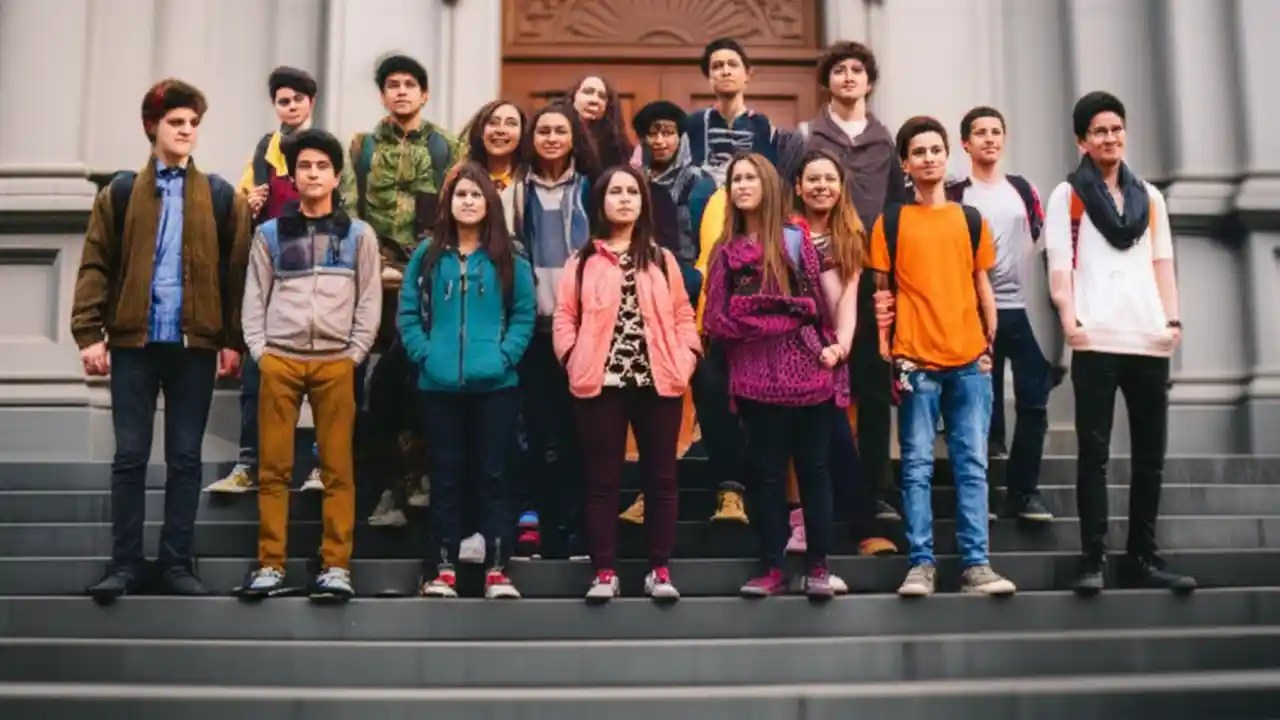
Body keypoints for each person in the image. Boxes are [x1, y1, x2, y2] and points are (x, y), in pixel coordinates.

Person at [74, 79, 250, 602]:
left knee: (185, 458)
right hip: (134, 344)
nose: (187, 131)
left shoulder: (219, 196)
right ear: (153, 127)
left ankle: (176, 563)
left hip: (194, 347)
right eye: (177, 123)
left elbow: (235, 272)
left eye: (194, 123)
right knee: (129, 455)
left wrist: (232, 339)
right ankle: (125, 564)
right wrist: (89, 332)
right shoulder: (122, 193)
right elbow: (95, 263)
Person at [1046, 92, 1196, 596]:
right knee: (1094, 454)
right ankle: (1093, 557)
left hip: (1148, 338)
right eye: (1099, 131)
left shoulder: (1149, 198)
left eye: (1116, 128)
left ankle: (1143, 555)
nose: (1110, 138)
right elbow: (1060, 267)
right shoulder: (1067, 196)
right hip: (1095, 338)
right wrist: (1070, 320)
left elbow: (1162, 264)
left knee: (1150, 455)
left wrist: (1171, 322)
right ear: (1081, 140)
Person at [868, 117, 1015, 598]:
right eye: (919, 151)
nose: (929, 157)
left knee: (972, 463)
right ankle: (921, 564)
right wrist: (887, 349)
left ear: (948, 155)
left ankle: (977, 565)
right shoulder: (890, 221)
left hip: (971, 359)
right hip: (915, 361)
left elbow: (982, 286)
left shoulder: (970, 219)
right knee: (915, 466)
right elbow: (882, 294)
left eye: (936, 149)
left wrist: (990, 344)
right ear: (905, 163)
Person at [236, 129, 381, 602]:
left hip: (336, 362)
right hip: (281, 359)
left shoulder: (358, 235)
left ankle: (336, 565)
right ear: (293, 178)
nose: (313, 174)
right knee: (274, 468)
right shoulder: (270, 233)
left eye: (322, 166)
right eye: (304, 167)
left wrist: (354, 354)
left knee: (338, 469)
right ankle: (269, 564)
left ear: (337, 176)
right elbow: (255, 297)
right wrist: (262, 351)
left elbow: (369, 300)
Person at [554, 165, 700, 604]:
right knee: (601, 480)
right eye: (614, 192)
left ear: (643, 202)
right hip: (601, 381)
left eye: (631, 192)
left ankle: (659, 568)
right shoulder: (581, 262)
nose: (623, 199)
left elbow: (682, 314)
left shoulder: (662, 258)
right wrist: (571, 356)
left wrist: (687, 358)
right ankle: (603, 571)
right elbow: (565, 317)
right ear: (600, 201)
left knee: (662, 479)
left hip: (659, 379)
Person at [703, 153, 844, 601]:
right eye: (735, 179)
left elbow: (814, 306)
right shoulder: (724, 251)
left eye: (749, 177)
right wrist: (778, 317)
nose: (742, 185)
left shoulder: (796, 240)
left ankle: (818, 566)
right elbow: (716, 320)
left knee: (814, 471)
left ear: (767, 183)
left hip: (808, 373)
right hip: (753, 379)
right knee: (764, 475)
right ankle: (772, 567)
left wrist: (804, 331)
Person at [779, 40, 907, 523]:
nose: (849, 77)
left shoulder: (885, 142)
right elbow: (786, 206)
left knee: (873, 385)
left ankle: (875, 490)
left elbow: (895, 211)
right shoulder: (807, 136)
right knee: (811, 381)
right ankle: (812, 495)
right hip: (812, 276)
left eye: (858, 70)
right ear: (827, 81)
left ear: (870, 82)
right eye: (840, 70)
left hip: (870, 276)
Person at [399, 163, 536, 599]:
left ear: (489, 203)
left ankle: (497, 569)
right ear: (448, 202)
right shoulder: (427, 255)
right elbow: (407, 313)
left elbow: (524, 314)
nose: (469, 202)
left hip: (496, 387)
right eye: (461, 195)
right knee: (445, 476)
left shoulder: (508, 258)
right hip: (438, 388)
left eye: (477, 195)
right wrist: (426, 355)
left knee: (492, 475)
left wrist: (503, 356)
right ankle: (443, 569)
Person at [341, 53, 460, 527]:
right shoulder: (361, 147)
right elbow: (348, 211)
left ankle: (417, 477)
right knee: (369, 388)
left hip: (428, 279)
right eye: (393, 84)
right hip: (374, 280)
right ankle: (381, 486)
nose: (402, 91)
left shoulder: (448, 147)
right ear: (383, 94)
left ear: (424, 93)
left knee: (419, 380)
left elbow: (458, 209)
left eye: (411, 84)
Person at [207, 65, 322, 496]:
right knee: (257, 378)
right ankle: (249, 463)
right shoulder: (261, 154)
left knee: (321, 382)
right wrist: (248, 204)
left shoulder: (323, 148)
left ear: (311, 102)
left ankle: (318, 465)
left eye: (297, 99)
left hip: (316, 279)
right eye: (282, 100)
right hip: (269, 276)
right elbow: (239, 215)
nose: (290, 106)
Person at [786, 150, 897, 581]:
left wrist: (841, 347)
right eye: (812, 179)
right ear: (797, 186)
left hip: (833, 351)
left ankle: (860, 526)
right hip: (788, 349)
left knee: (838, 440)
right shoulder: (784, 235)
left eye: (829, 179)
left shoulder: (852, 237)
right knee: (799, 444)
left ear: (840, 186)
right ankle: (806, 524)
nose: (820, 186)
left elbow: (849, 301)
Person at [617, 100, 724, 525]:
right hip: (640, 303)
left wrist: (692, 286)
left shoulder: (702, 186)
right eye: (652, 132)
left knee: (704, 396)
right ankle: (648, 494)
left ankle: (725, 492)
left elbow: (711, 246)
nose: (660, 140)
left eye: (668, 131)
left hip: (693, 300)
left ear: (681, 136)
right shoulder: (630, 183)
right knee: (654, 402)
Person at [951, 106, 1056, 522]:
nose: (990, 139)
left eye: (996, 132)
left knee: (1034, 400)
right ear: (966, 143)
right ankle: (985, 496)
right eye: (980, 133)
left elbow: (1035, 236)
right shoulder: (957, 193)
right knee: (981, 409)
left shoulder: (1022, 189)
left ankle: (1024, 492)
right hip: (974, 314)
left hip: (1019, 310)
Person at [516, 102, 599, 559]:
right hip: (531, 329)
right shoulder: (516, 192)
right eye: (543, 130)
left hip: (582, 330)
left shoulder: (590, 188)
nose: (550, 138)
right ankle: (542, 528)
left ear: (573, 138)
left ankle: (579, 531)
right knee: (537, 434)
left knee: (578, 435)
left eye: (559, 131)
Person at [685, 38, 777, 186]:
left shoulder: (762, 125)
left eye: (733, 65)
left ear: (748, 74)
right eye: (717, 66)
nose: (726, 72)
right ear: (709, 77)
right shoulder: (695, 123)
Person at [567, 75, 634, 170]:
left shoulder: (618, 146)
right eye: (587, 92)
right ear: (574, 97)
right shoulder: (559, 135)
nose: (594, 100)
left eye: (602, 97)